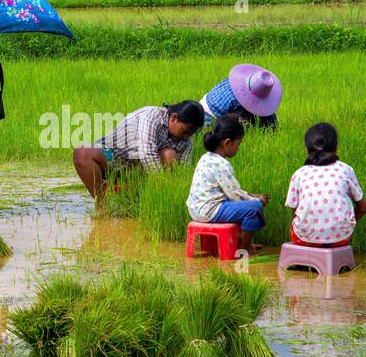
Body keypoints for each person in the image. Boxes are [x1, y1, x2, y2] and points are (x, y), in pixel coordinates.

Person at [73, 100, 204, 200]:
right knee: (82, 152)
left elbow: (183, 169)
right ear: (174, 118)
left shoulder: (187, 140)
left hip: (137, 170)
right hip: (113, 156)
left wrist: (172, 191)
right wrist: (164, 184)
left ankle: (137, 196)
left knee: (169, 154)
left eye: (190, 134)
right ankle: (102, 204)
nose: (187, 137)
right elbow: (147, 154)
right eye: (184, 131)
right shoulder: (151, 117)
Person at [186, 114, 269, 254]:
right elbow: (234, 195)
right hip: (210, 211)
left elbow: (230, 192)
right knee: (254, 209)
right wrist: (257, 200)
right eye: (238, 144)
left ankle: (239, 239)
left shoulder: (206, 157)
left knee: (250, 204)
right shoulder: (221, 164)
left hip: (196, 209)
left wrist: (250, 196)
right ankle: (245, 245)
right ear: (227, 143)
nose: (238, 148)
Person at [284, 122, 366, 246]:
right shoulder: (346, 169)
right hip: (341, 238)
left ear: (306, 149)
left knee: (297, 226)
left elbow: (294, 211)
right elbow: (363, 208)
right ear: (337, 147)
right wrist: (345, 224)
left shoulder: (299, 173)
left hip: (304, 239)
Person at [199, 64, 282, 130]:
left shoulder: (235, 81)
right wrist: (274, 126)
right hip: (209, 119)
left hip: (200, 106)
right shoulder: (244, 99)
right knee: (253, 114)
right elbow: (266, 111)